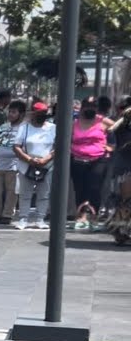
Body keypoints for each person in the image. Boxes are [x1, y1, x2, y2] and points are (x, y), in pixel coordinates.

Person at [71, 96, 114, 231]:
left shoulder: (103, 121)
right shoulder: (74, 123)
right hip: (77, 159)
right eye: (87, 106)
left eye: (93, 106)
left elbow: (119, 131)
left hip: (99, 159)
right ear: (83, 108)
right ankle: (81, 217)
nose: (90, 109)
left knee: (95, 188)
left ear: (97, 108)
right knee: (80, 189)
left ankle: (94, 218)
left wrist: (110, 147)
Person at [12, 102, 55, 230]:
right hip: (27, 164)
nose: (41, 116)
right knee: (25, 193)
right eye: (38, 113)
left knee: (44, 193)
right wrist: (29, 159)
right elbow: (16, 146)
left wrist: (46, 159)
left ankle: (40, 219)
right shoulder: (24, 128)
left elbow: (57, 146)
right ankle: (23, 218)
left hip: (47, 164)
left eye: (43, 114)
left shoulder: (53, 128)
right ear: (32, 114)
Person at [0, 100, 26, 224]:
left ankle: (7, 215)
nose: (10, 114)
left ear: (21, 114)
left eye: (14, 112)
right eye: (9, 111)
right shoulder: (3, 126)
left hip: (14, 165)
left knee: (12, 192)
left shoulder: (24, 128)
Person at [105, 96, 131, 244]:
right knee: (126, 200)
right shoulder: (122, 123)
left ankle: (121, 230)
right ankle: (120, 231)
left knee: (126, 201)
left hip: (124, 164)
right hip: (126, 166)